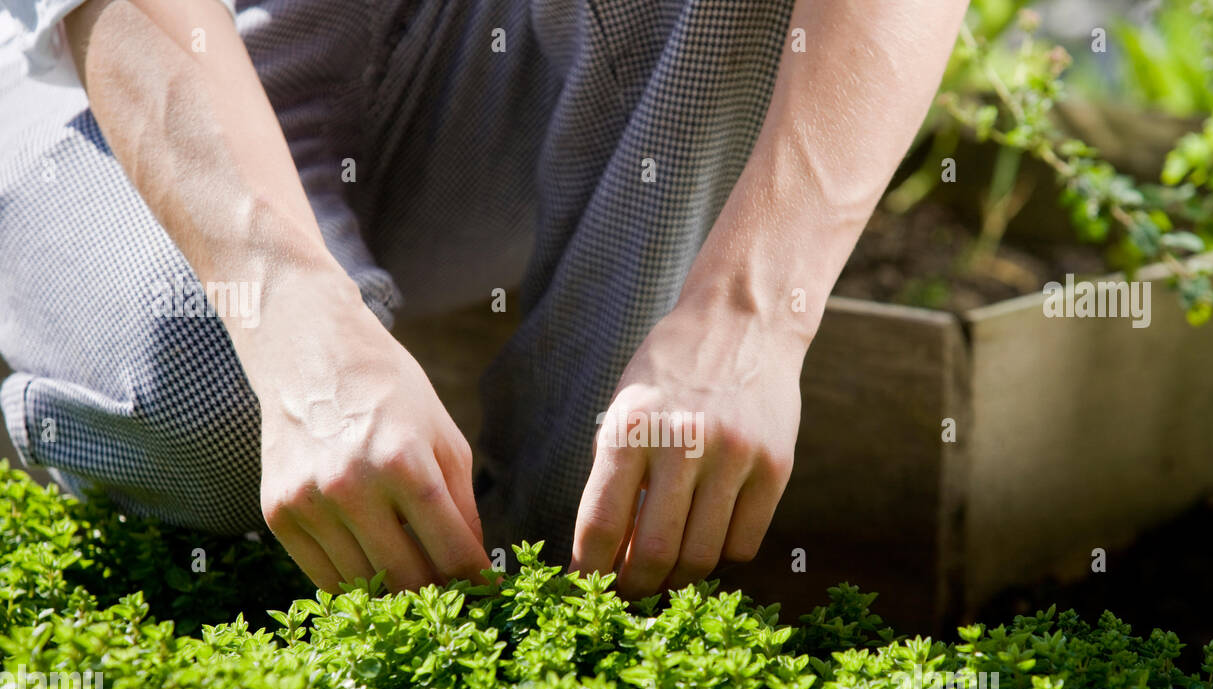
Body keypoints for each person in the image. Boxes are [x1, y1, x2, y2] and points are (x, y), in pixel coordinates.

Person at [0, 0, 966, 598]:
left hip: (452, 61)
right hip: (101, 54)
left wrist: (754, 311)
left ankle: (565, 572)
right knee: (220, 400)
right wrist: (296, 322)